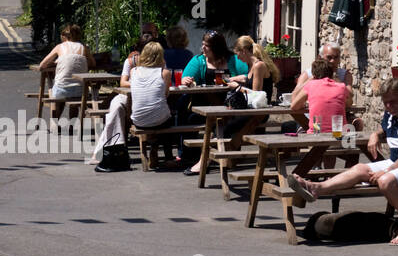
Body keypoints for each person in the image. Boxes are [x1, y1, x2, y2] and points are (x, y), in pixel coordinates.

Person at [291, 78, 398, 244]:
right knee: (359, 168)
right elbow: (385, 128)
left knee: (386, 181)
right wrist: (376, 134)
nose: (389, 106)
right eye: (385, 103)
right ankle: (316, 188)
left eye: (393, 102)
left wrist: (389, 170)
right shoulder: (392, 110)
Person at [91, 42, 172, 173]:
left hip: (138, 120)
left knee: (156, 114)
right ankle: (166, 155)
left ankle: (153, 150)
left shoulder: (134, 71)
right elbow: (166, 95)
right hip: (160, 121)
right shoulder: (165, 73)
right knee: (169, 116)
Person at [181, 32, 251, 174]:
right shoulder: (198, 61)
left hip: (231, 105)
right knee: (189, 115)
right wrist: (186, 81)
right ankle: (194, 155)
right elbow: (184, 78)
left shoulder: (232, 60)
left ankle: (208, 158)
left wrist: (235, 79)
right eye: (203, 44)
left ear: (217, 48)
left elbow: (248, 75)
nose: (203, 48)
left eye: (207, 46)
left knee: (222, 120)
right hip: (205, 105)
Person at [38, 24, 89, 123]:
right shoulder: (84, 48)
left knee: (59, 90)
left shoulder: (60, 47)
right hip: (80, 91)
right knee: (74, 96)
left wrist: (55, 63)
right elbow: (93, 63)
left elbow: (42, 65)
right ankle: (72, 125)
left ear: (65, 37)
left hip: (61, 90)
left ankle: (55, 122)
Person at [289, 56, 355, 133]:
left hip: (317, 132)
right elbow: (349, 104)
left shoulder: (310, 85)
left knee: (314, 128)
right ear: (332, 73)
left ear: (314, 75)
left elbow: (294, 106)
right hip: (339, 133)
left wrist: (304, 104)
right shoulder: (341, 86)